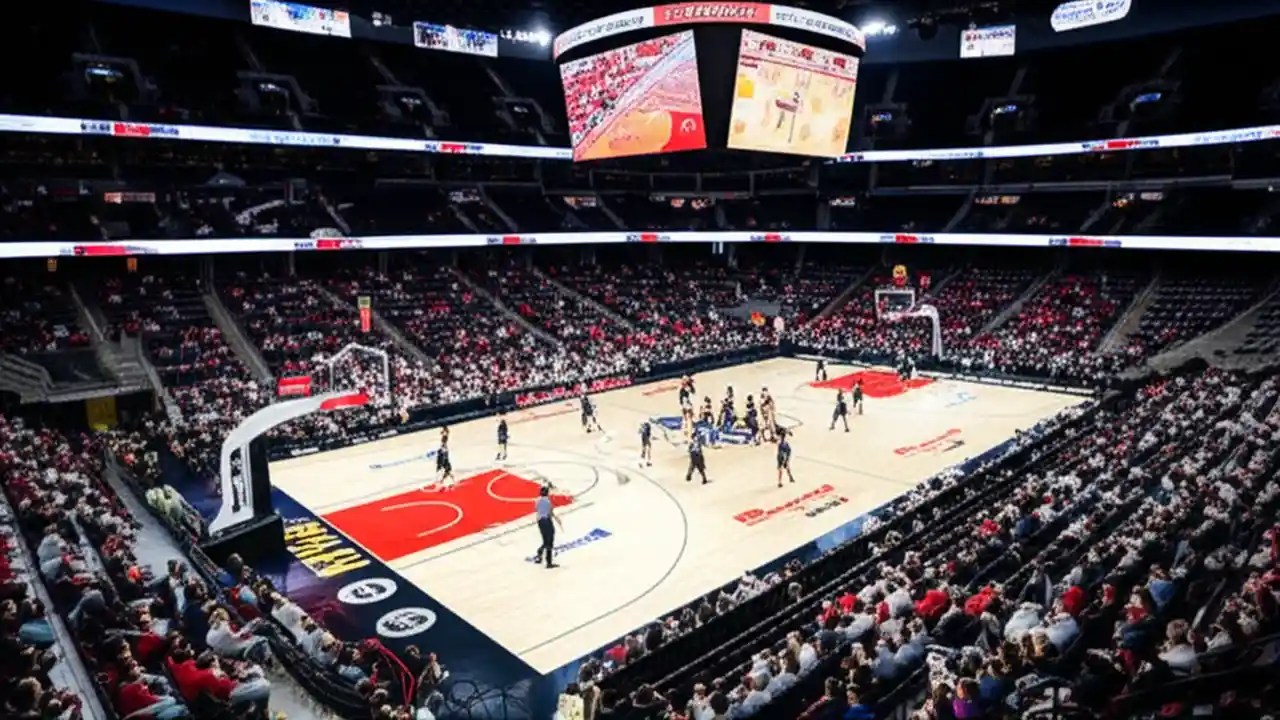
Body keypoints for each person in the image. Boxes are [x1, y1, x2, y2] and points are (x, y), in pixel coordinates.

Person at [533, 485, 563, 568]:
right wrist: (557, 520)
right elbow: (550, 513)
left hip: (540, 521)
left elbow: (536, 509)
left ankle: (540, 552)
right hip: (547, 521)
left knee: (545, 539)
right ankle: (549, 562)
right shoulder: (548, 502)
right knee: (550, 540)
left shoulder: (537, 500)